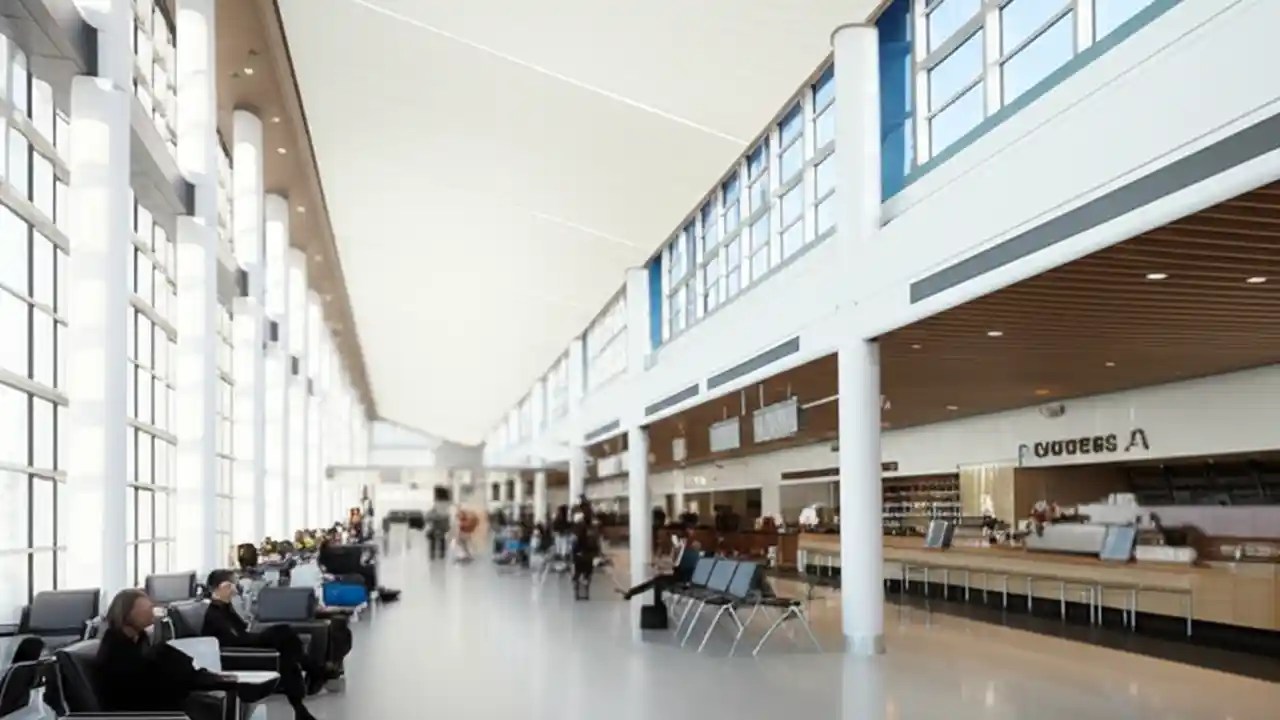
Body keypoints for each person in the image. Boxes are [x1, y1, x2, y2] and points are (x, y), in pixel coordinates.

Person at [202, 570, 324, 720]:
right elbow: (234, 638)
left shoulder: (224, 608)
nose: (235, 589)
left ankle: (301, 705)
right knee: (284, 634)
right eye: (232, 585)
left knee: (287, 655)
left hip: (244, 644)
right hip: (238, 652)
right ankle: (314, 671)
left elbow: (242, 628)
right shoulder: (214, 614)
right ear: (222, 587)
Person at [96, 589, 222, 720]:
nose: (152, 612)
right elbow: (141, 689)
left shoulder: (140, 642)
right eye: (147, 609)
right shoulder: (116, 651)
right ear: (127, 613)